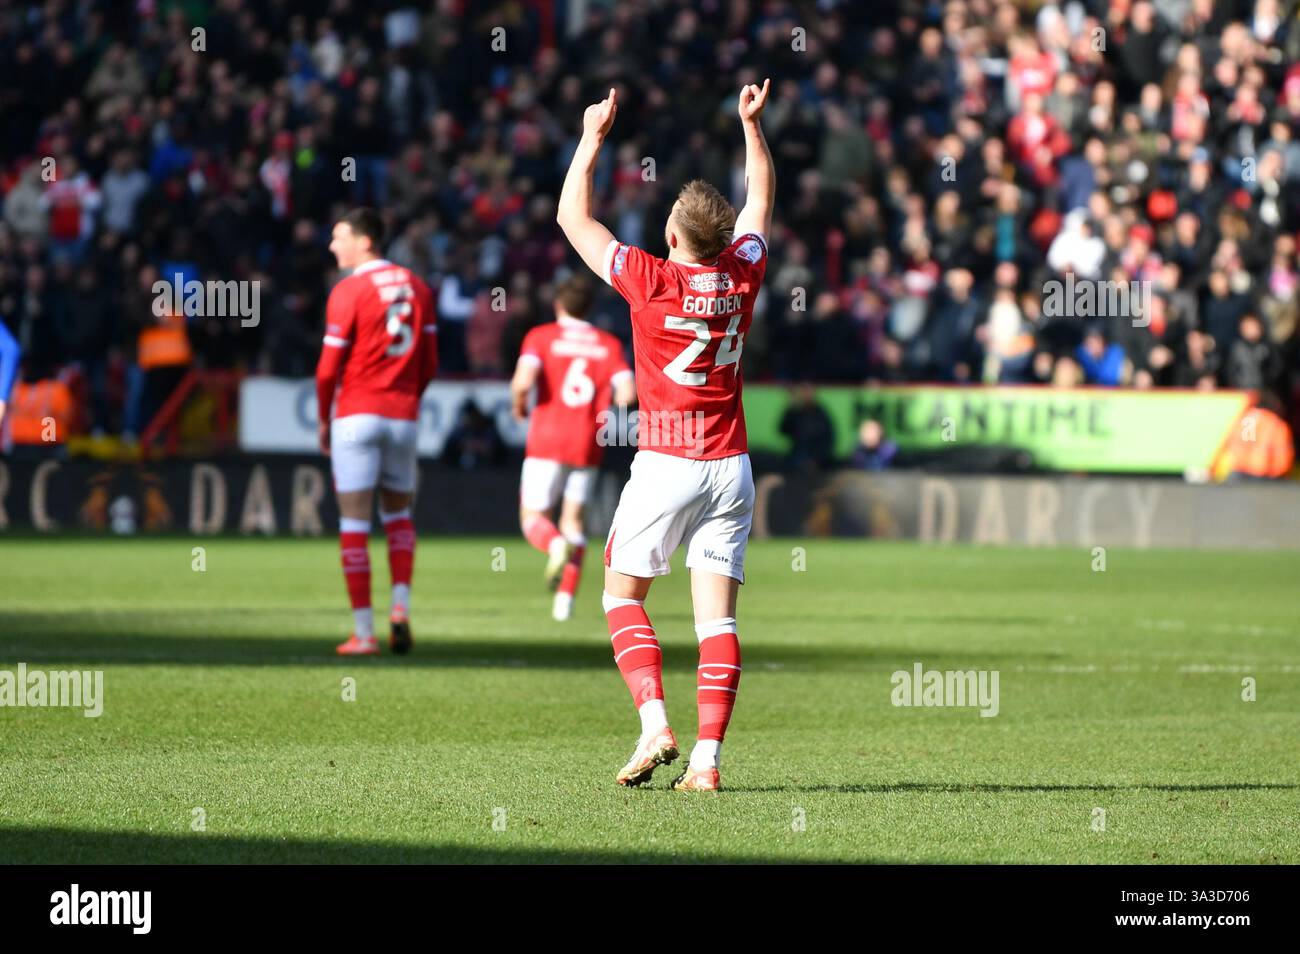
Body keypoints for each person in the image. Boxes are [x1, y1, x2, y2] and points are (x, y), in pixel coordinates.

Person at [556, 81, 774, 792]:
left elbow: (572, 218)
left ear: (673, 237)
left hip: (668, 458)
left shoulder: (647, 279)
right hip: (732, 464)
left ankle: (655, 723)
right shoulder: (742, 273)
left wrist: (592, 137)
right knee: (717, 622)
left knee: (622, 597)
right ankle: (708, 764)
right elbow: (762, 201)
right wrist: (752, 126)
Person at [315, 208, 438, 656]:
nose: (332, 246)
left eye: (338, 237)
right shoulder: (419, 287)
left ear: (365, 241)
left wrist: (325, 417)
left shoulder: (348, 291)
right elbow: (429, 361)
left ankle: (364, 633)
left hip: (357, 415)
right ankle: (400, 609)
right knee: (398, 516)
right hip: (403, 416)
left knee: (353, 520)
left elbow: (328, 368)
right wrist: (409, 400)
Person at [510, 273, 635, 621]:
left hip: (547, 439)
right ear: (590, 307)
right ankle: (564, 601)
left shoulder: (541, 337)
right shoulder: (607, 344)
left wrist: (519, 404)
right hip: (586, 442)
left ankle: (554, 546)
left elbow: (522, 382)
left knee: (533, 518)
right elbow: (627, 393)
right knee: (574, 521)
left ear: (558, 304)